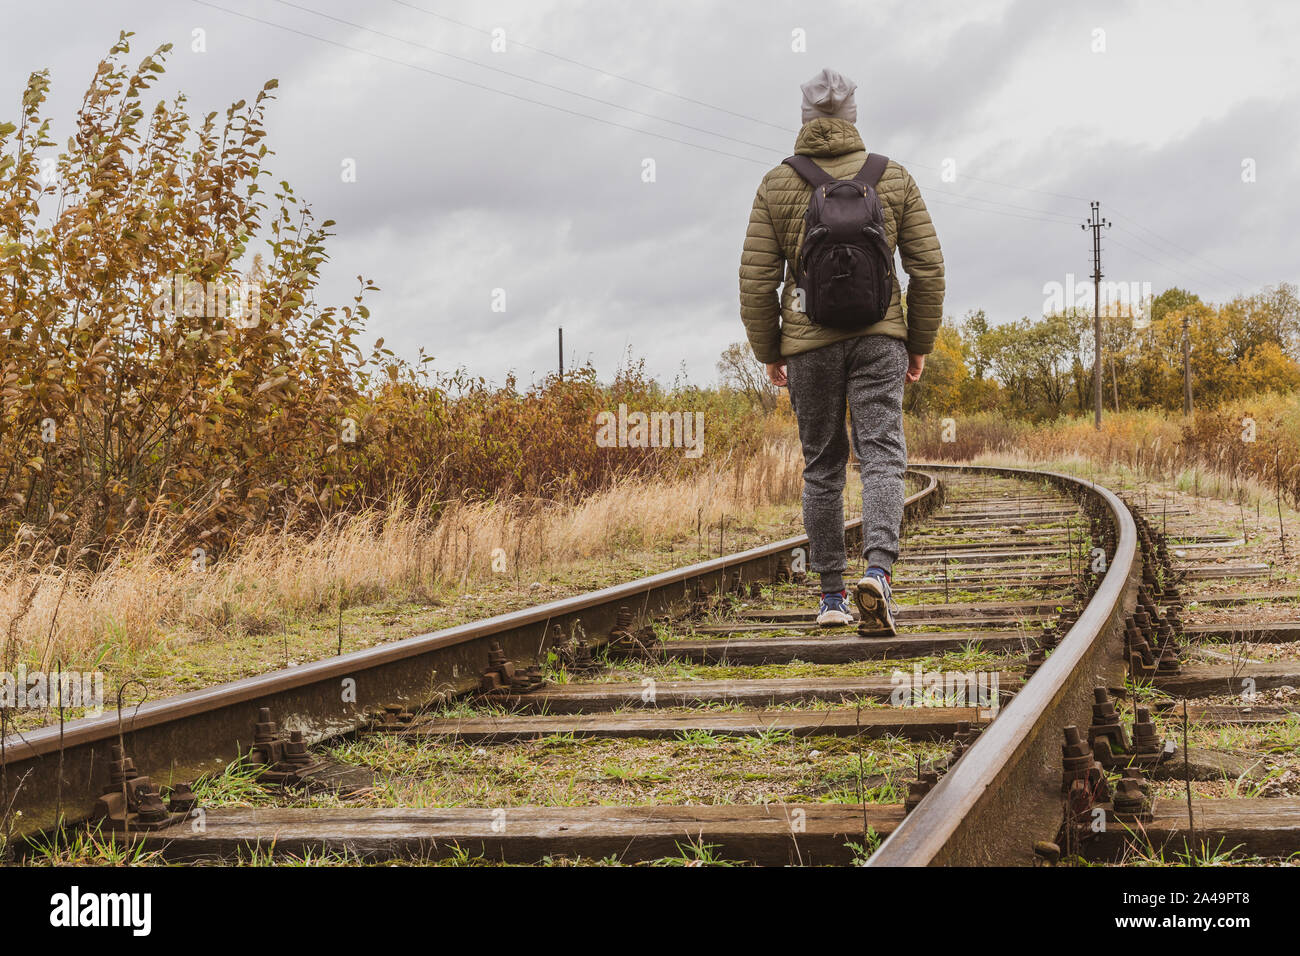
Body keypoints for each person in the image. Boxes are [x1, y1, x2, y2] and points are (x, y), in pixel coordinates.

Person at [738, 67, 945, 633]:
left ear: (804, 122)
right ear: (853, 119)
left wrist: (769, 350)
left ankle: (831, 597)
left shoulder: (777, 184)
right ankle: (877, 573)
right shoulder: (892, 178)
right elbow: (927, 268)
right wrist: (917, 342)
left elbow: (757, 280)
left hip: (808, 345)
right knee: (881, 454)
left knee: (823, 466)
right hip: (880, 337)